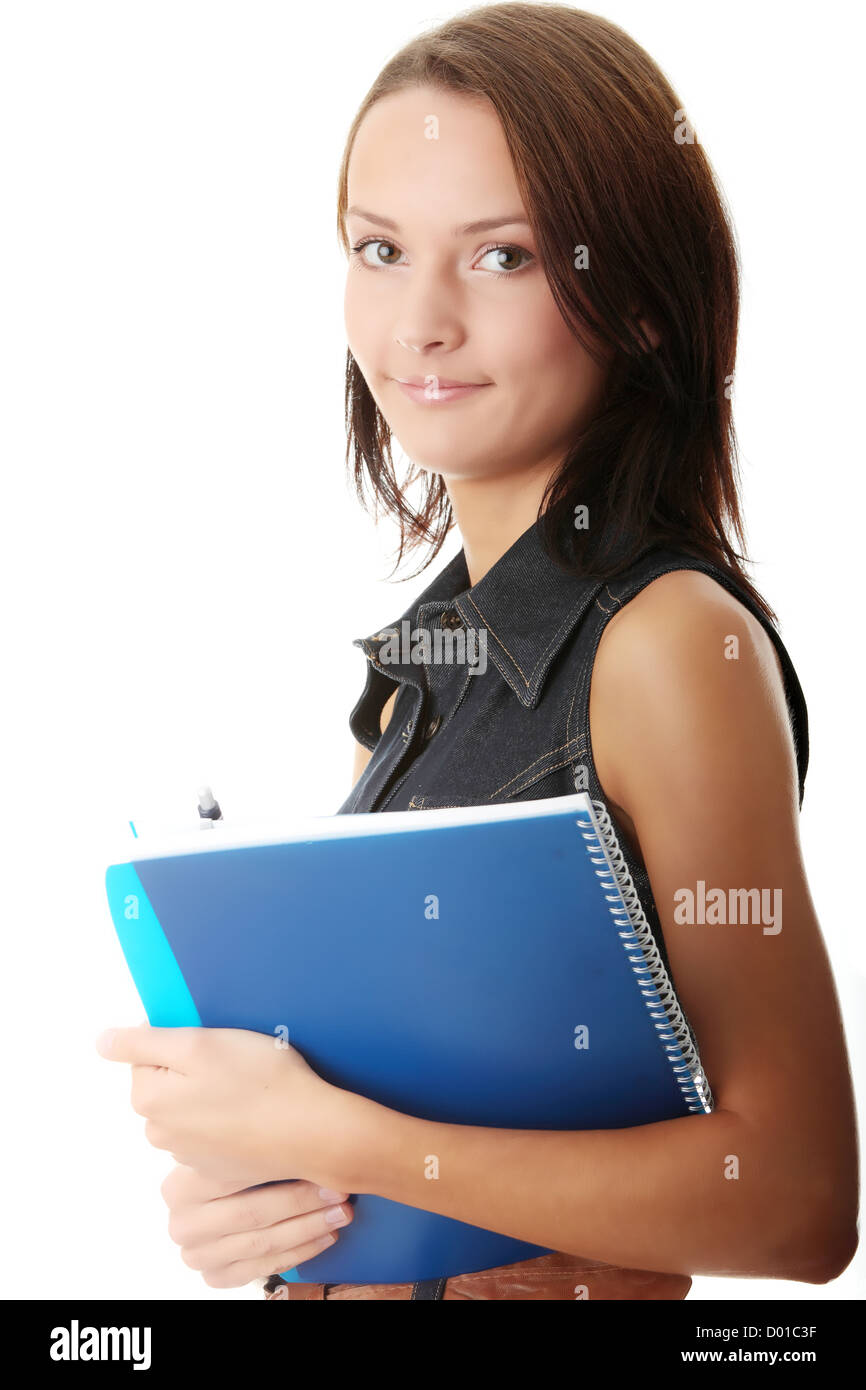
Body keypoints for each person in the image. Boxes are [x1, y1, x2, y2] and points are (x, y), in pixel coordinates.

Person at [129, 3, 858, 1299]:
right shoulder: (422, 673)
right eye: (379, 248)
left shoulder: (670, 646)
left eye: (504, 256)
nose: (420, 324)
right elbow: (437, 1150)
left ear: (636, 300)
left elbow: (796, 1198)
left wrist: (336, 1136)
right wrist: (261, 1203)